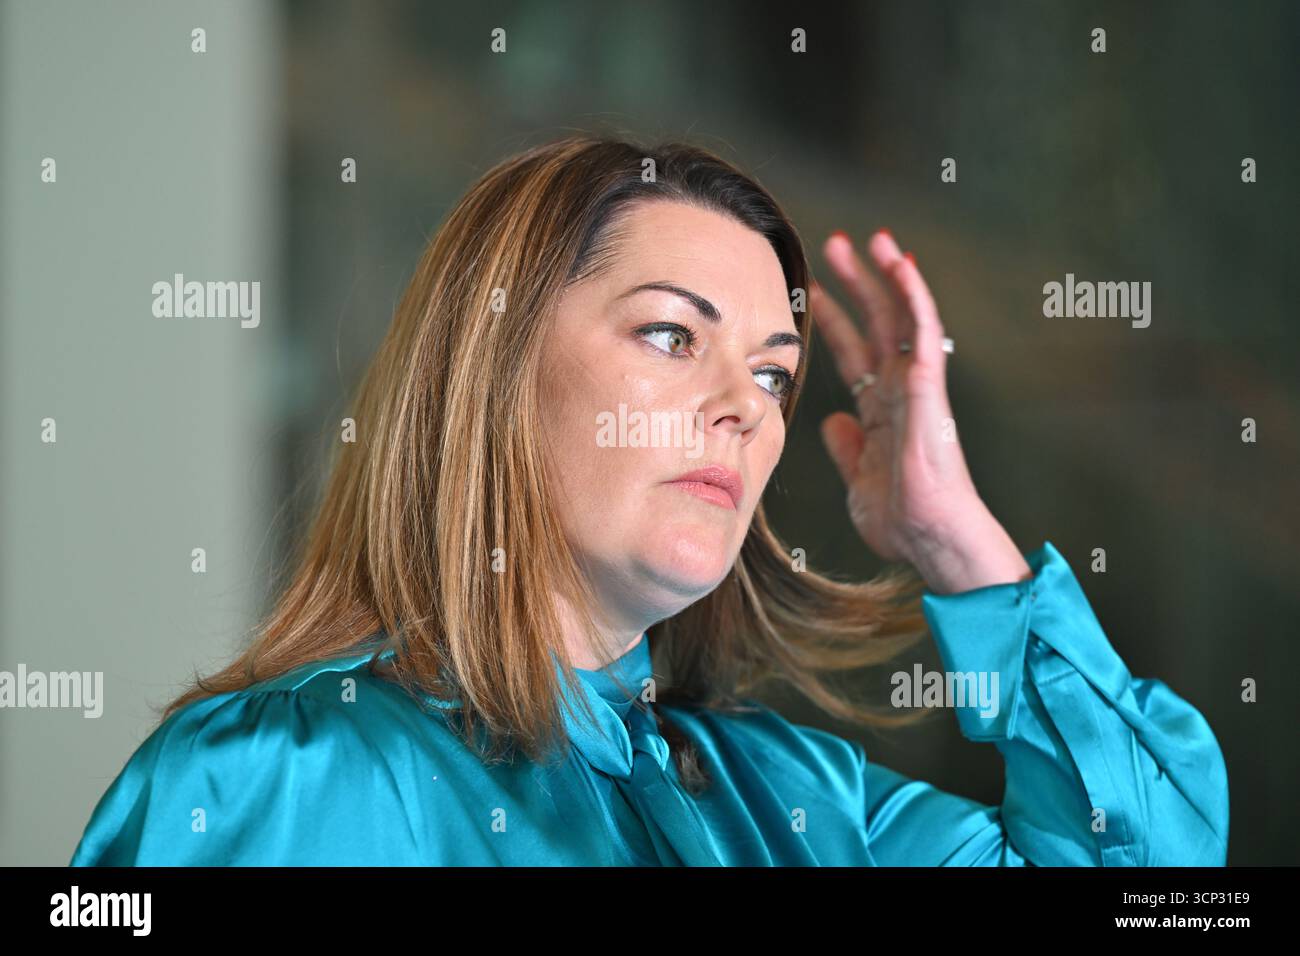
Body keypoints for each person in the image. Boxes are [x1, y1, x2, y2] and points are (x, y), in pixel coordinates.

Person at [70, 135, 1228, 866]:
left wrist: (956, 541)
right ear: (497, 365)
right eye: (673, 334)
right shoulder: (272, 776)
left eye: (776, 372)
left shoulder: (801, 803)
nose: (744, 406)